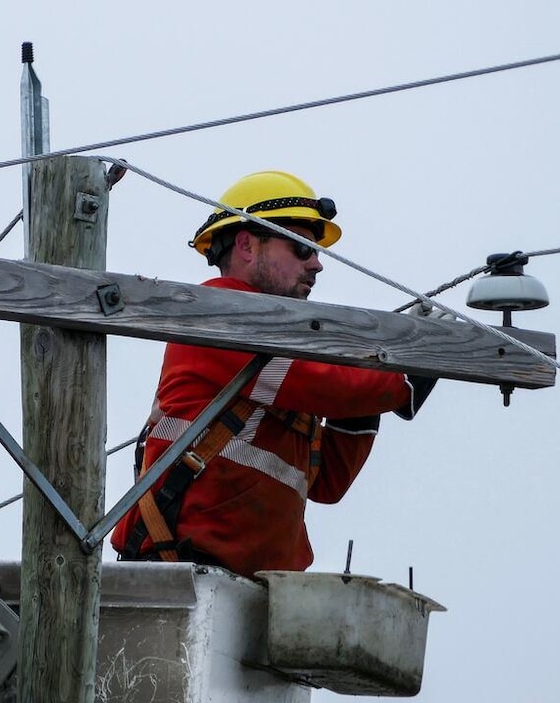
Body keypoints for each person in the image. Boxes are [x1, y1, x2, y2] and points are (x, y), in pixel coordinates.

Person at [111, 170, 442, 577]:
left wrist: (372, 385)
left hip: (257, 589)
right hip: (179, 575)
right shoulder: (218, 314)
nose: (317, 264)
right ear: (248, 245)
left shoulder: (287, 350)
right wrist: (401, 370)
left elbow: (327, 483)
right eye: (302, 247)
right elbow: (323, 384)